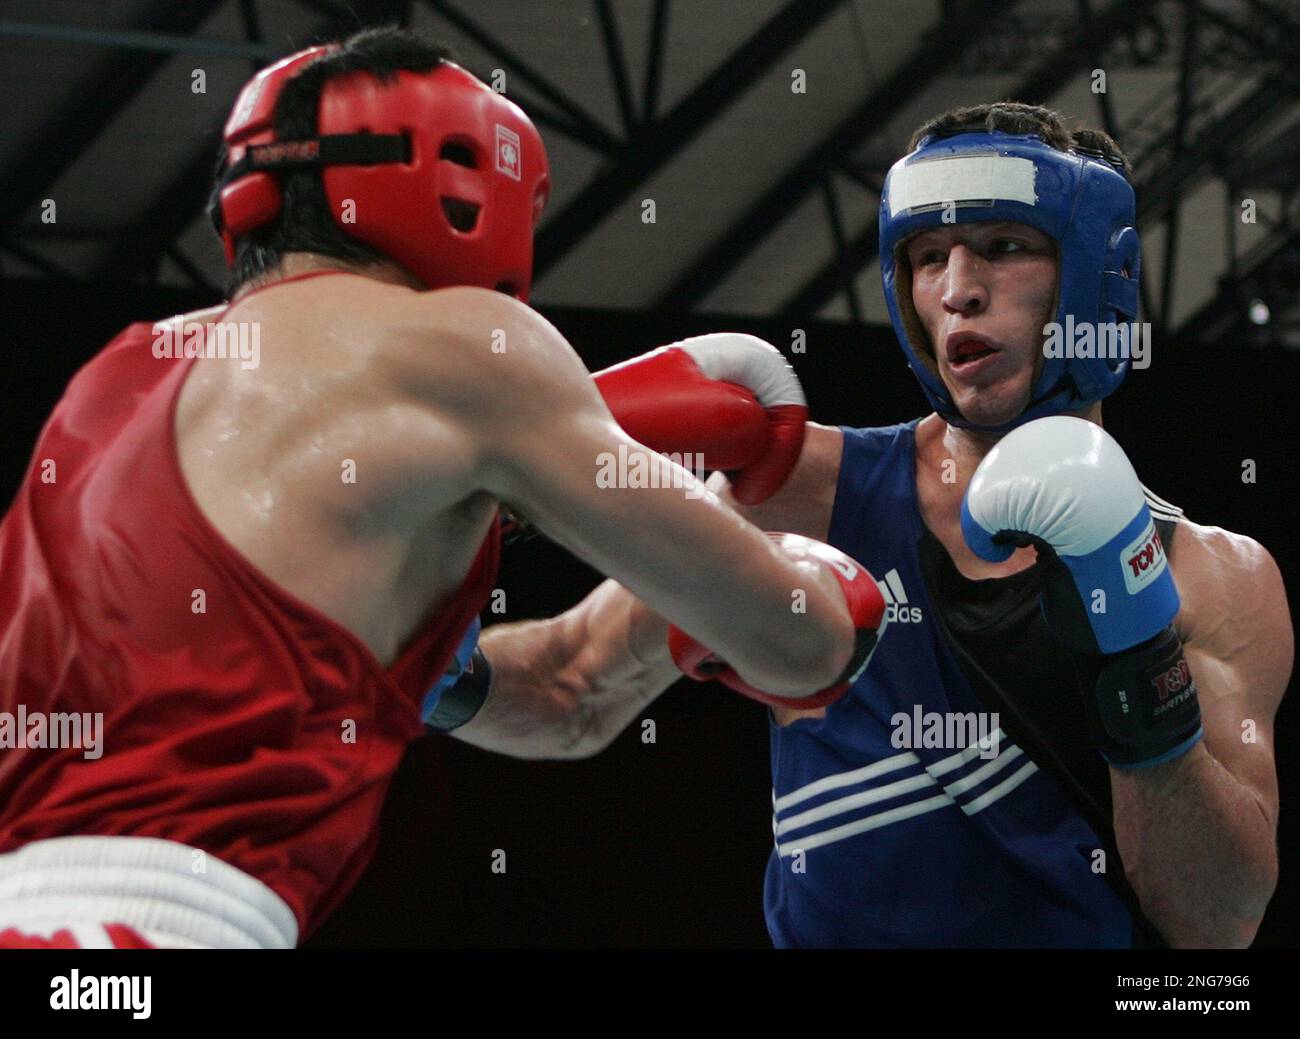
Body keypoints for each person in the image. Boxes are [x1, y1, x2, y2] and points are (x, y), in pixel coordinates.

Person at [0, 28, 887, 949]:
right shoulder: (471, 344)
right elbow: (802, 644)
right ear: (464, 184)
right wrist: (810, 586)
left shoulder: (114, 379)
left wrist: (633, 629)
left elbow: (562, 694)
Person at [481, 103, 1291, 947]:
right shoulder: (797, 495)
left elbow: (1213, 921)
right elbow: (568, 684)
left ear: (1097, 274)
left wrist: (1134, 643)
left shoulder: (1214, 574)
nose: (957, 288)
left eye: (1005, 247)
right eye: (928, 257)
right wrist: (397, 653)